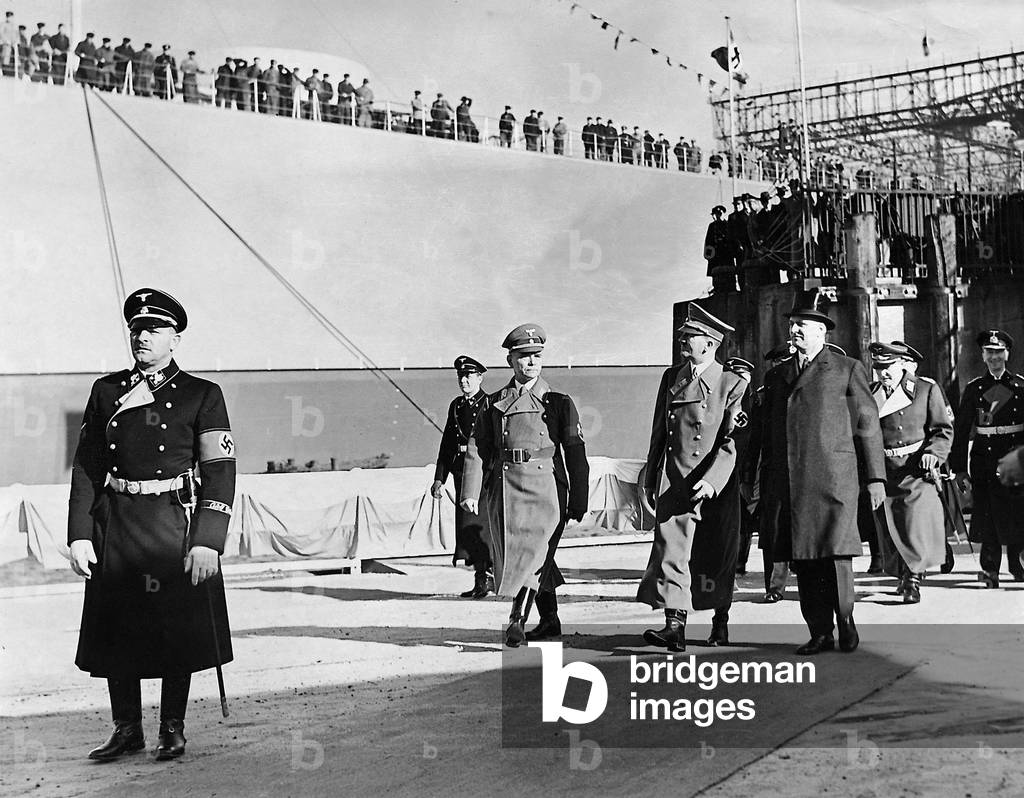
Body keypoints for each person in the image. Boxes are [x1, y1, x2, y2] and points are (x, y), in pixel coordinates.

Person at [68, 288, 235, 761]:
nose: (142, 336)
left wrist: (208, 541)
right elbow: (87, 466)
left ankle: (172, 727)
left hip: (171, 524)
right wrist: (80, 534)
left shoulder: (202, 394)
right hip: (117, 522)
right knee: (118, 628)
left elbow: (220, 472)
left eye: (154, 329)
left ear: (175, 339)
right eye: (136, 329)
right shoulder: (106, 391)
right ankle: (126, 729)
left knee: (172, 628)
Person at [758, 292, 886, 654]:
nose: (794, 330)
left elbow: (868, 426)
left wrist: (875, 478)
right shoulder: (777, 375)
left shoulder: (847, 369)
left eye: (802, 325)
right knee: (805, 559)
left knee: (836, 557)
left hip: (834, 481)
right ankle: (819, 631)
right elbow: (767, 433)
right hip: (792, 484)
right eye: (792, 324)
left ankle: (845, 620)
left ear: (821, 332)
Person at [461, 325, 589, 647]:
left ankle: (516, 619)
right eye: (523, 356)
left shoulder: (558, 402)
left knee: (532, 553)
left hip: (548, 489)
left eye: (536, 356)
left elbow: (575, 450)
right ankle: (549, 620)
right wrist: (469, 492)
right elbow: (478, 447)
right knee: (529, 554)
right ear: (510, 359)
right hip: (507, 488)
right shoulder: (492, 404)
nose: (531, 362)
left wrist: (580, 497)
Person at [637, 304, 746, 651]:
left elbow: (732, 442)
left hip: (714, 483)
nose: (683, 340)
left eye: (692, 336)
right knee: (673, 551)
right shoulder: (672, 378)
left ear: (711, 344)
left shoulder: (732, 384)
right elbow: (660, 433)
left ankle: (720, 622)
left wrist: (713, 480)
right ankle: (674, 628)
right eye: (684, 335)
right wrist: (650, 475)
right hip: (675, 479)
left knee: (714, 555)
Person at [867, 341, 953, 603]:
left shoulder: (926, 389)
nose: (884, 373)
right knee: (891, 528)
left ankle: (912, 580)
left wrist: (933, 453)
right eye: (878, 367)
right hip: (883, 470)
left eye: (889, 367)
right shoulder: (870, 394)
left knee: (912, 523)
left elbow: (943, 430)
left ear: (902, 364)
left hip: (916, 470)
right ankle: (905, 573)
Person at [950, 330, 1024, 586]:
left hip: (1015, 457)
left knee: (1018, 513)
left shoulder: (1020, 386)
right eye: (989, 352)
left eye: (999, 352)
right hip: (985, 458)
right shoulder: (974, 389)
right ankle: (990, 569)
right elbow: (960, 431)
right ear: (983, 356)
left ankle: (1018, 565)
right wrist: (959, 469)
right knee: (988, 514)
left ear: (1007, 354)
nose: (995, 357)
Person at [432, 357, 493, 598]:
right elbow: (447, 443)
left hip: (483, 475)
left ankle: (488, 577)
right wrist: (440, 477)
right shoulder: (456, 406)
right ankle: (482, 578)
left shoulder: (490, 404)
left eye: (469, 376)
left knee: (482, 527)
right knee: (467, 529)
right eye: (461, 376)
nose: (464, 380)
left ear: (480, 378)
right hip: (460, 472)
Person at [746, 343, 795, 602]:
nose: (780, 368)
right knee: (774, 528)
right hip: (774, 470)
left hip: (805, 471)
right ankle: (774, 586)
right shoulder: (765, 397)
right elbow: (755, 439)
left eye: (785, 362)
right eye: (777, 364)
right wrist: (747, 476)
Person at [704, 205, 736, 293]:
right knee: (717, 274)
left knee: (729, 273)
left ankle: (731, 288)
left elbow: (733, 239)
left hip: (727, 254)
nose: (718, 215)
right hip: (716, 255)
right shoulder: (712, 226)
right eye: (717, 213)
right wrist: (709, 256)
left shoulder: (728, 224)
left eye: (720, 213)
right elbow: (708, 242)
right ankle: (717, 289)